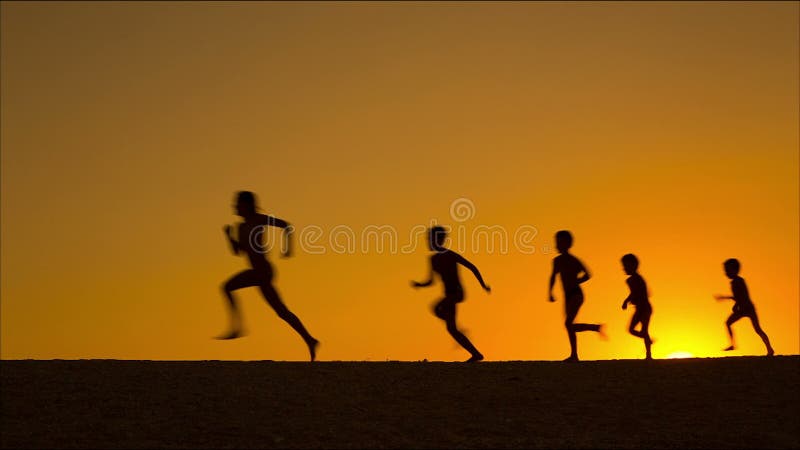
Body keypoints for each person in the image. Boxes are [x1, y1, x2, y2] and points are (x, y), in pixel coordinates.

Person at [218, 191, 319, 361]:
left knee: (227, 287)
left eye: (238, 204)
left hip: (264, 270)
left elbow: (286, 226)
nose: (235, 207)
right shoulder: (241, 227)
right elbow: (239, 251)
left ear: (247, 205)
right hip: (257, 272)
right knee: (281, 311)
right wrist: (229, 237)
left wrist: (288, 249)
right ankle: (310, 340)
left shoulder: (259, 219)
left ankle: (238, 327)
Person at [411, 226, 491, 362]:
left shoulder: (450, 255)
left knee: (436, 308)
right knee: (451, 329)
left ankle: (471, 347)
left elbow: (472, 267)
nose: (428, 242)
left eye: (430, 239)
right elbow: (431, 281)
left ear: (439, 240)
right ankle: (476, 354)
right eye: (428, 239)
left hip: (457, 293)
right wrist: (419, 285)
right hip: (449, 295)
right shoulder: (433, 259)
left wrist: (483, 285)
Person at [548, 230, 605, 361]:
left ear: (568, 244)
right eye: (557, 242)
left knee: (568, 324)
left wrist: (577, 281)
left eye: (560, 242)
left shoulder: (573, 260)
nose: (557, 245)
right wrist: (550, 292)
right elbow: (553, 276)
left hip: (576, 294)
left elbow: (588, 274)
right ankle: (594, 329)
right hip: (567, 296)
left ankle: (574, 355)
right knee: (569, 325)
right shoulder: (557, 261)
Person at [714, 258, 774, 356]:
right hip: (742, 308)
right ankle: (732, 344)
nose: (726, 272)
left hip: (748, 308)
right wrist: (735, 304)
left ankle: (770, 349)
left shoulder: (739, 281)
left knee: (757, 329)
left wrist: (728, 300)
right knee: (728, 323)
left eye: (728, 270)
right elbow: (738, 297)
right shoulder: (734, 282)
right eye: (725, 270)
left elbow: (743, 296)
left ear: (735, 270)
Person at [620, 254, 653, 360]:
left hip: (645, 308)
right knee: (631, 330)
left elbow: (639, 292)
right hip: (639, 308)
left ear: (634, 265)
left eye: (626, 266)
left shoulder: (638, 279)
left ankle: (648, 355)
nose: (624, 268)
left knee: (644, 330)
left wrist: (629, 300)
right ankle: (648, 340)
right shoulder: (629, 280)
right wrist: (626, 301)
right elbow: (633, 293)